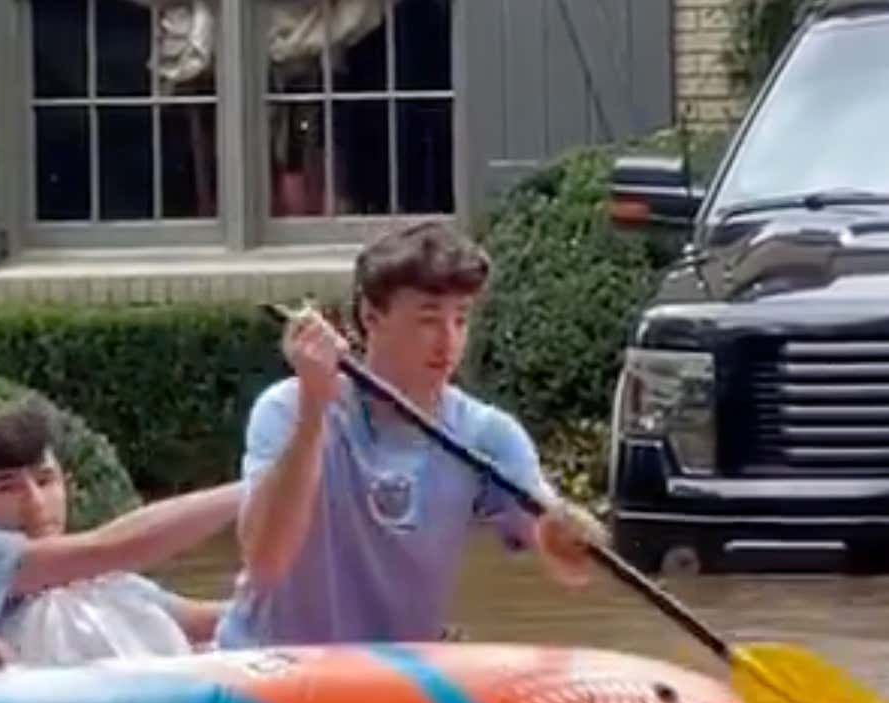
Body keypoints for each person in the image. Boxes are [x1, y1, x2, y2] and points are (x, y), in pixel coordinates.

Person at [213, 221, 606, 650]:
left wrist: (570, 533)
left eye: (461, 320)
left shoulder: (487, 434)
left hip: (396, 682)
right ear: (371, 316)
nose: (448, 342)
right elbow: (265, 562)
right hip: (273, 672)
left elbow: (568, 567)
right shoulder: (287, 408)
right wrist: (313, 413)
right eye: (428, 319)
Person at [0, 400, 237, 668]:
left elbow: (206, 620)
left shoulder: (98, 584)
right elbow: (114, 547)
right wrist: (255, 490)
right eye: (9, 488)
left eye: (45, 481)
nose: (35, 502)